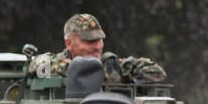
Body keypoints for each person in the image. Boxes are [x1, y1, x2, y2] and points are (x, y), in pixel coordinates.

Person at [30, 14, 165, 83]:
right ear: (69, 43)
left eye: (99, 40)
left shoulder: (111, 67)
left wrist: (127, 68)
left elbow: (158, 73)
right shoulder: (53, 65)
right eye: (89, 41)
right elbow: (35, 64)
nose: (97, 46)